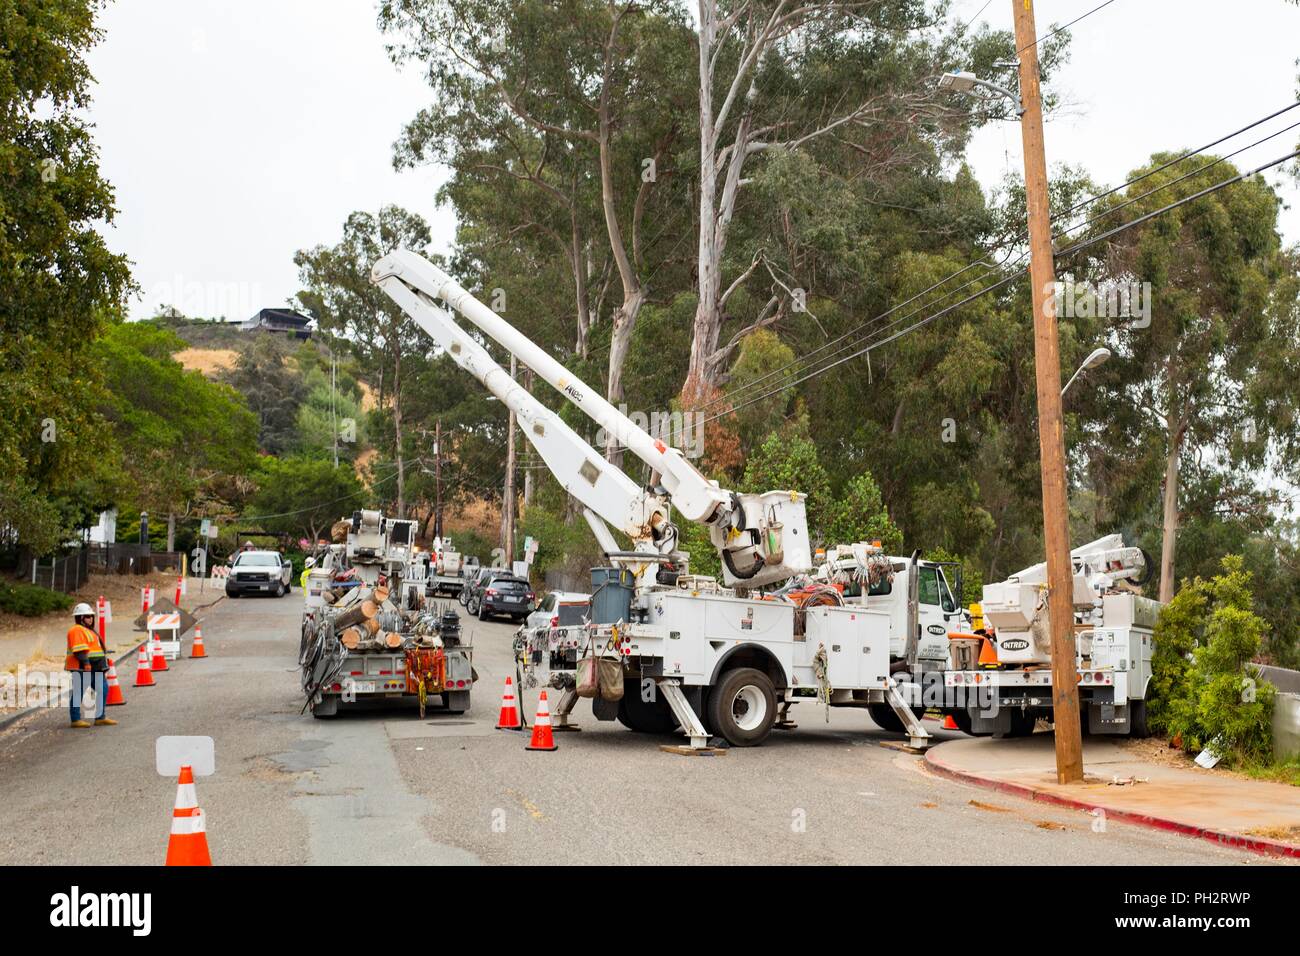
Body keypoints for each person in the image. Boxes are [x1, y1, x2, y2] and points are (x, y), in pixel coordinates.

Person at [65, 603, 115, 729]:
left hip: (95, 667)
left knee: (103, 689)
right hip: (82, 667)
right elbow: (79, 650)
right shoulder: (76, 630)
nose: (91, 619)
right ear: (80, 618)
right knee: (78, 692)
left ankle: (100, 717)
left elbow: (94, 649)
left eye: (92, 616)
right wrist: (86, 663)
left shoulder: (89, 631)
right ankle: (75, 719)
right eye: (87, 616)